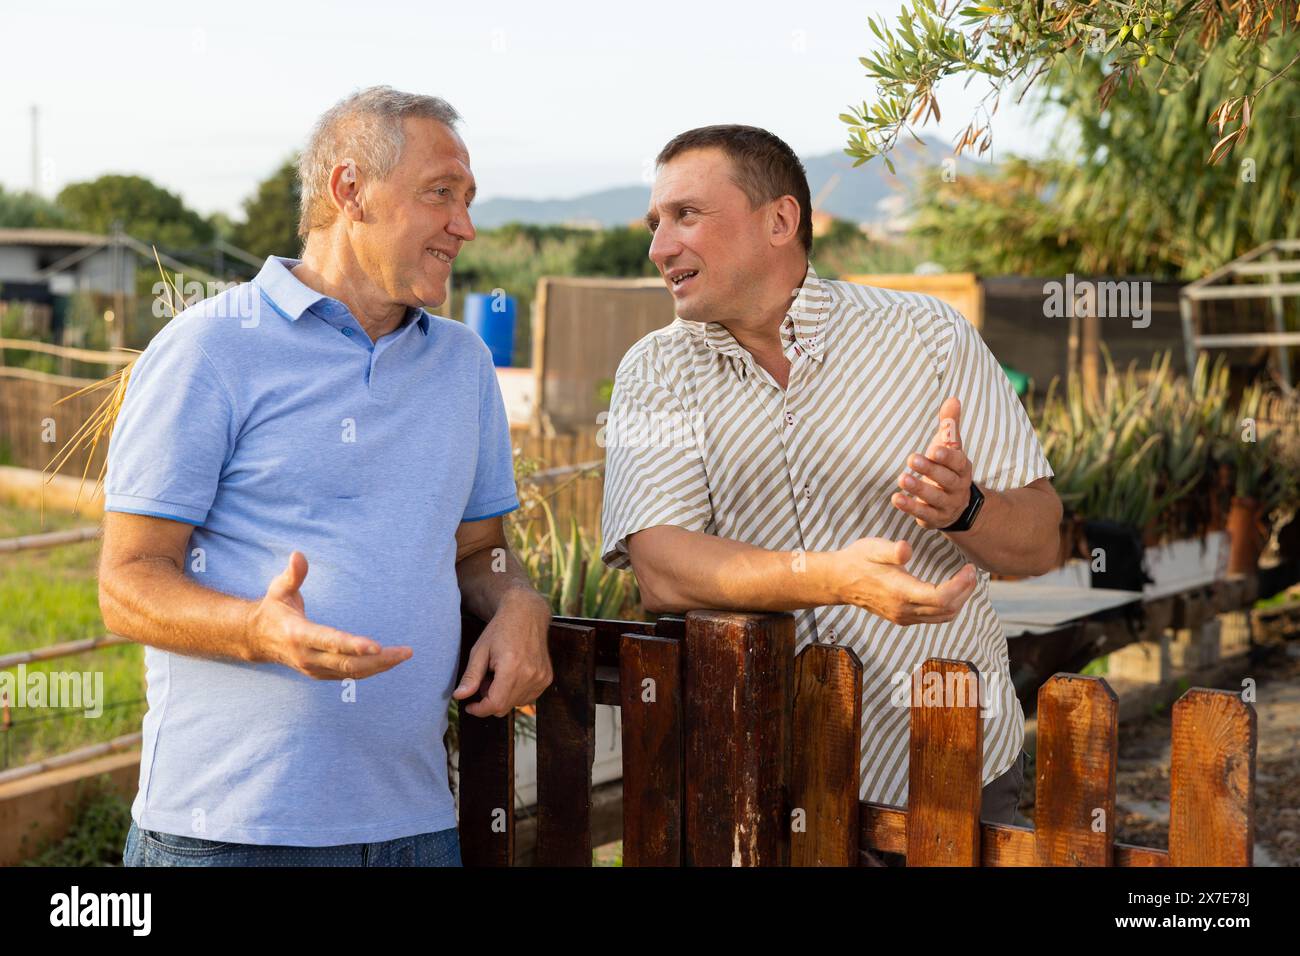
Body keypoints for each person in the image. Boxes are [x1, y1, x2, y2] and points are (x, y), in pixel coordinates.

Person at [102, 86, 552, 867]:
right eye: (440, 194)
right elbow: (127, 582)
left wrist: (519, 602)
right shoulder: (209, 348)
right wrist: (258, 632)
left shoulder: (463, 365)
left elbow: (481, 553)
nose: (464, 226)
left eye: (468, 199)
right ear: (350, 191)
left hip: (414, 829)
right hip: (229, 834)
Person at [600, 125, 1062, 823]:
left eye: (686, 216)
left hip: (951, 761)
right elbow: (663, 567)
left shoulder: (930, 337)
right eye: (656, 221)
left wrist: (965, 508)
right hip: (765, 782)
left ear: (780, 220)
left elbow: (1039, 543)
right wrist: (836, 578)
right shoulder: (652, 372)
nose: (660, 246)